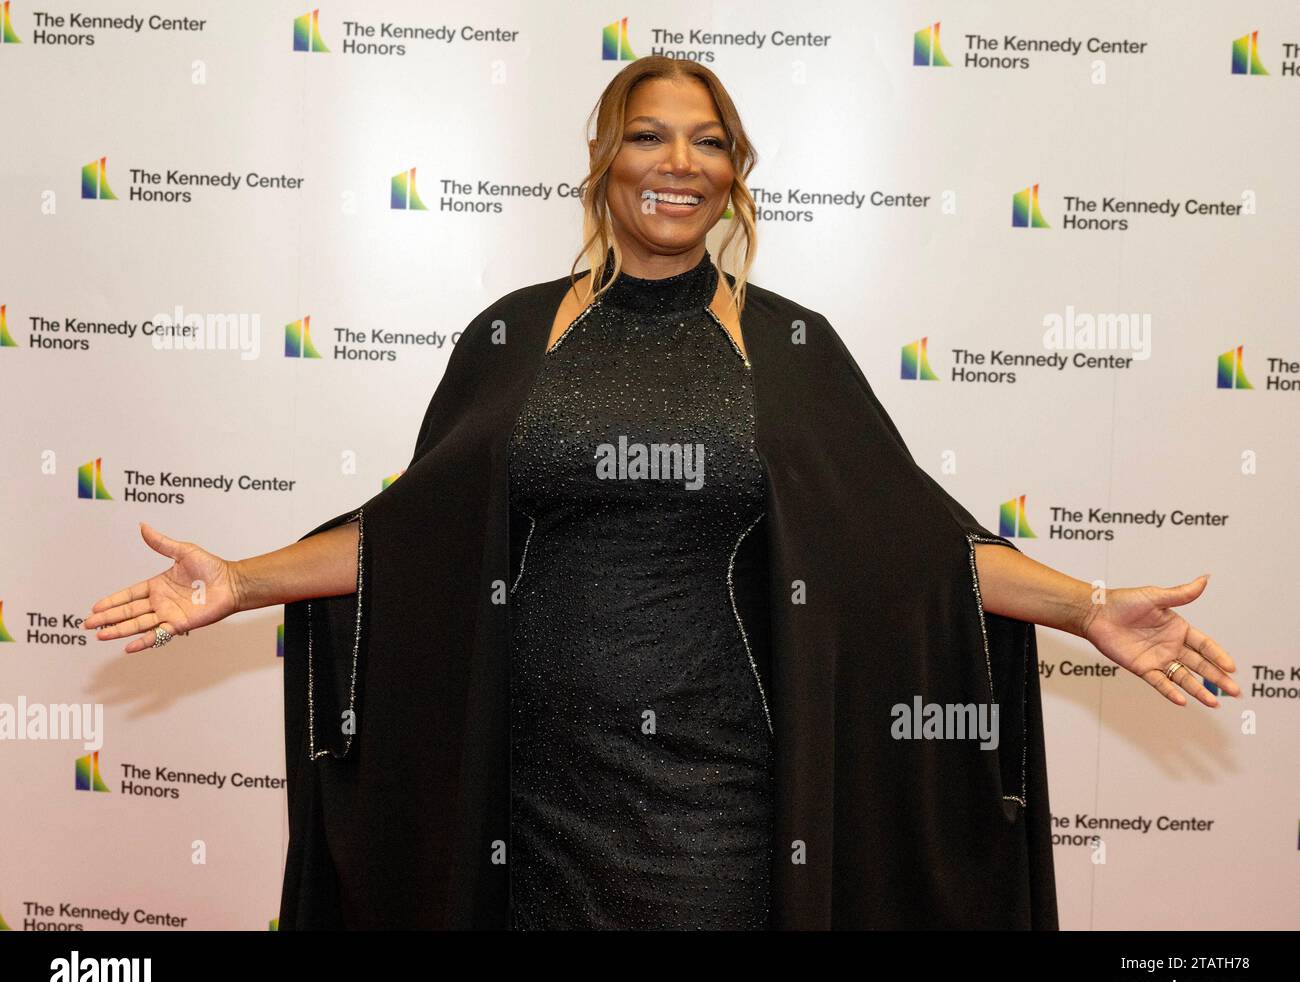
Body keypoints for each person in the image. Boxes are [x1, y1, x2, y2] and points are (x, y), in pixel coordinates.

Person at [82, 57, 1239, 930]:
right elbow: (410, 545)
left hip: (717, 798)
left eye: (708, 141)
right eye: (648, 136)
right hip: (525, 791)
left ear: (734, 173)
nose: (677, 162)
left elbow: (915, 555)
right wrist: (237, 582)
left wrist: (1086, 606)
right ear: (604, 160)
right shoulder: (512, 337)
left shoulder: (787, 347)